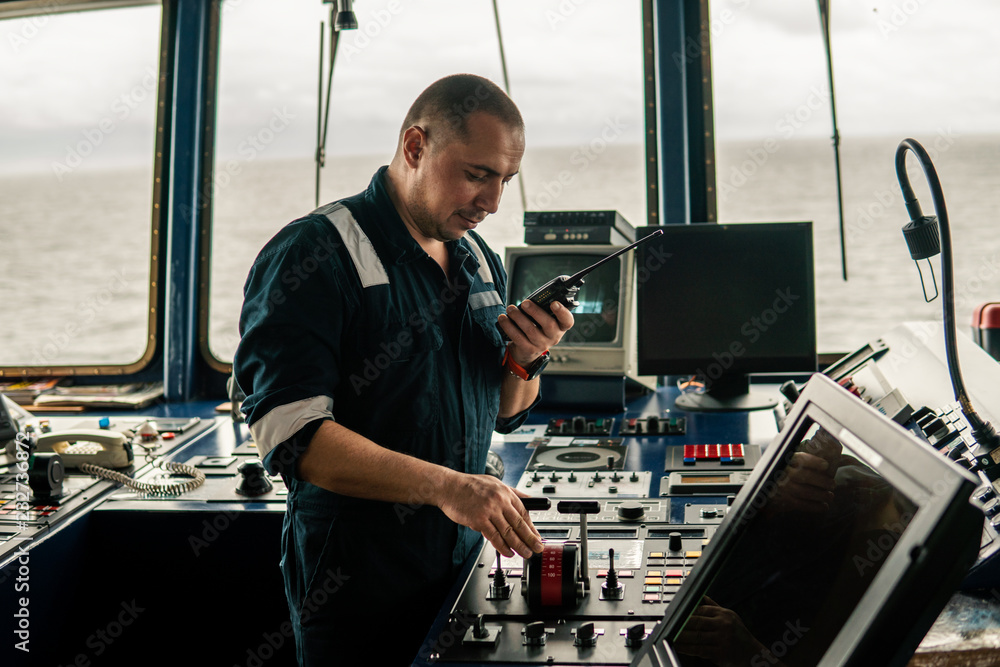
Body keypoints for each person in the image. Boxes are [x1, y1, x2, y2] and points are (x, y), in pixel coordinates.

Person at [233, 73, 574, 666]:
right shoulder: (313, 253)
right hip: (357, 582)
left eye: (505, 180)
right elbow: (291, 436)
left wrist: (526, 360)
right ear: (415, 147)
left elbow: (502, 412)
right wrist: (451, 487)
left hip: (459, 563)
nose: (492, 202)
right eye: (477, 174)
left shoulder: (477, 258)